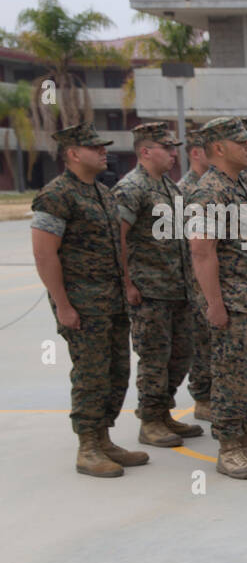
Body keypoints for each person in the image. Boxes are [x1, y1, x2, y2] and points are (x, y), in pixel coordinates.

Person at [31, 122, 149, 477]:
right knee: (90, 374)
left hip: (111, 300)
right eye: (95, 148)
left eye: (103, 147)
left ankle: (104, 437)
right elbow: (44, 254)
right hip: (83, 304)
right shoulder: (56, 195)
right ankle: (88, 447)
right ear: (72, 154)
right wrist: (63, 305)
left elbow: (118, 246)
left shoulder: (102, 192)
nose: (103, 152)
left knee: (117, 372)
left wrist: (127, 284)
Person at [187, 117, 247, 478]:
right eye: (241, 142)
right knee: (231, 377)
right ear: (218, 148)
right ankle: (228, 448)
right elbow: (202, 252)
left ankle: (245, 438)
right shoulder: (209, 191)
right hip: (231, 302)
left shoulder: (242, 184)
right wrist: (214, 304)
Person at [113, 121, 201, 447]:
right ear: (145, 151)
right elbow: (117, 238)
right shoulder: (131, 188)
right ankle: (149, 421)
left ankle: (163, 412)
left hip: (177, 288)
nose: (173, 154)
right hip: (149, 291)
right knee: (154, 358)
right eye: (167, 148)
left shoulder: (169, 187)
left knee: (180, 355)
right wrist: (127, 283)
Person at [179, 123, 213, 421]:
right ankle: (203, 397)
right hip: (192, 281)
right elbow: (183, 244)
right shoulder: (187, 190)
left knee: (212, 342)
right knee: (201, 343)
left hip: (208, 281)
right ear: (196, 153)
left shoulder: (217, 186)